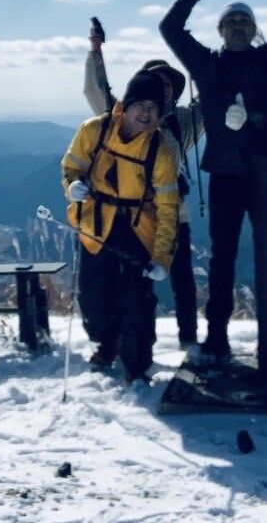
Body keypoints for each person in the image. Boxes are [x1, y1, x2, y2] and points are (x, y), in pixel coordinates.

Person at [159, 0, 267, 370]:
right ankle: (217, 338)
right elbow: (169, 29)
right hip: (229, 176)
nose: (238, 27)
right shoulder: (206, 65)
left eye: (244, 21)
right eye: (231, 22)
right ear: (221, 31)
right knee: (222, 258)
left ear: (254, 28)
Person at [83, 23, 203, 348]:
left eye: (167, 86)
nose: (161, 89)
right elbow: (96, 92)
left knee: (181, 280)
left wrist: (199, 61)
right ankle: (124, 345)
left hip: (170, 215)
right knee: (129, 285)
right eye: (155, 82)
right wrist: (96, 53)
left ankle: (188, 342)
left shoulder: (182, 123)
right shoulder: (122, 116)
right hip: (129, 218)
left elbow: (209, 101)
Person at [62, 71, 182, 385]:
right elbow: (72, 166)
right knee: (94, 297)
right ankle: (106, 343)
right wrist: (72, 184)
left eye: (153, 107)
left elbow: (168, 208)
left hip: (138, 227)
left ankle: (137, 366)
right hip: (97, 222)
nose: (146, 112)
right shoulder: (94, 130)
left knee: (136, 300)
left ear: (161, 112)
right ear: (125, 106)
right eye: (139, 104)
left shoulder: (160, 151)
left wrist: (162, 258)